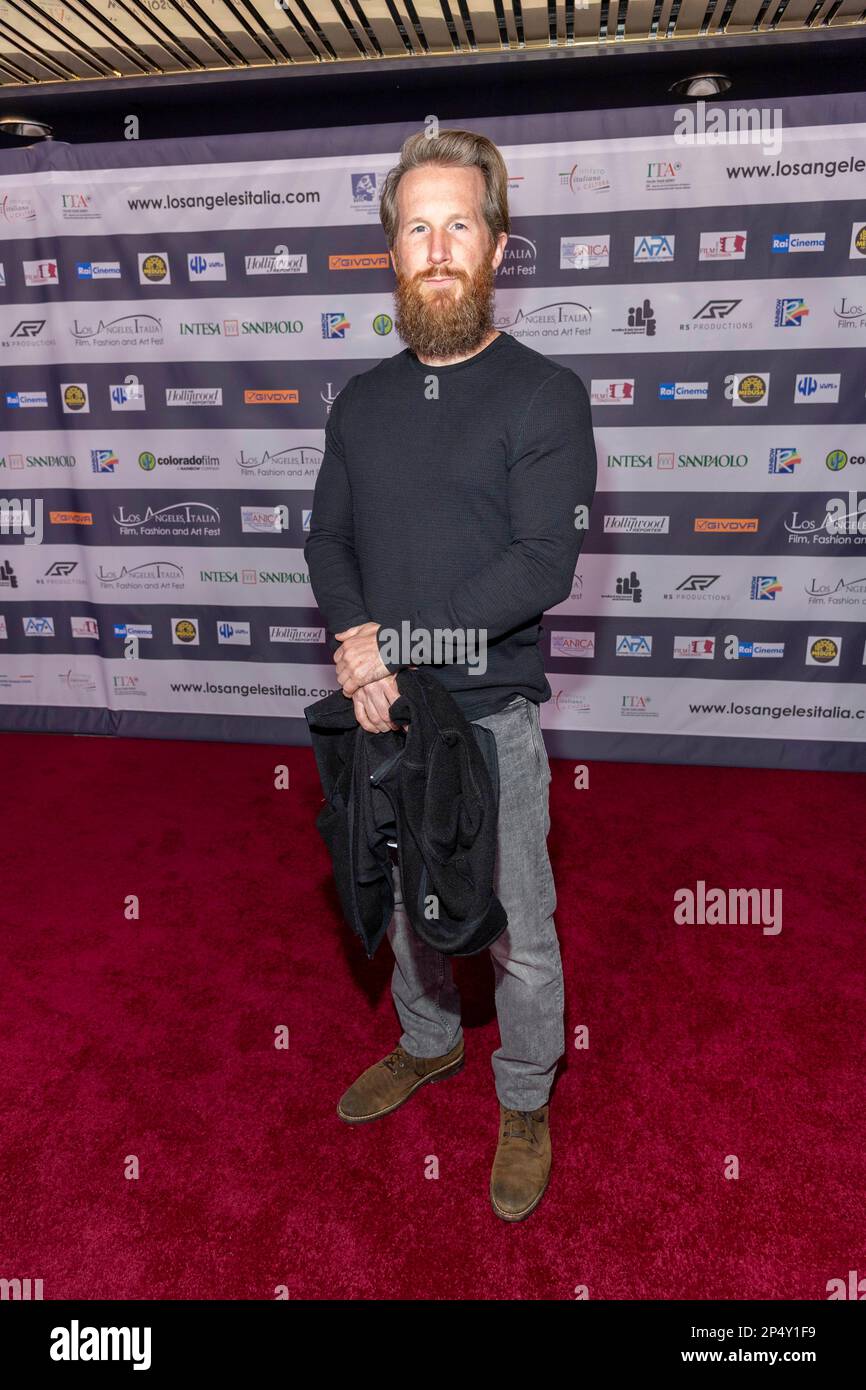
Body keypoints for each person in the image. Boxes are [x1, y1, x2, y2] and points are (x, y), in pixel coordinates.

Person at [304, 127, 597, 1222]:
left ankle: (524, 1092)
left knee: (517, 925)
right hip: (378, 708)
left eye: (456, 225)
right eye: (414, 227)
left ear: (494, 246)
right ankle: (427, 1043)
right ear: (392, 252)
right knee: (397, 904)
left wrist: (398, 644)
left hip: (484, 718)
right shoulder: (361, 401)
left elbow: (542, 563)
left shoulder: (544, 395)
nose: (435, 247)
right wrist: (355, 643)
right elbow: (327, 542)